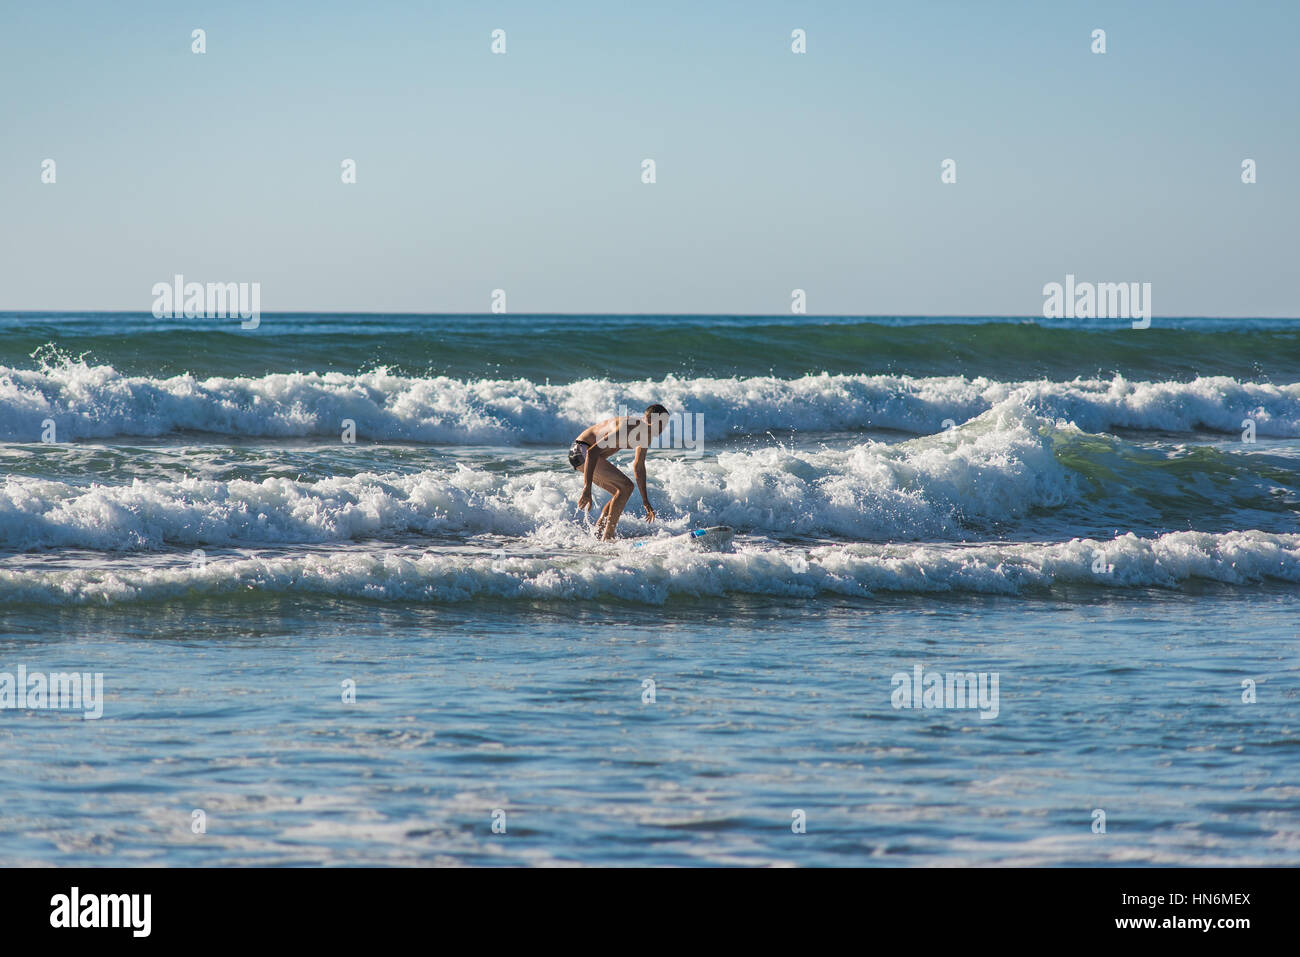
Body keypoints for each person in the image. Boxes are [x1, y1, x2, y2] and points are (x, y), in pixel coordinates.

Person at [569, 404, 669, 540]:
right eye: (659, 423)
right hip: (581, 451)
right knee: (626, 487)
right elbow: (592, 452)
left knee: (620, 492)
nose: (662, 428)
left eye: (665, 423)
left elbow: (639, 467)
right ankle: (608, 537)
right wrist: (587, 488)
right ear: (647, 419)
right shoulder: (627, 428)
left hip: (589, 456)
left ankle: (598, 534)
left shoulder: (647, 435)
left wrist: (645, 500)